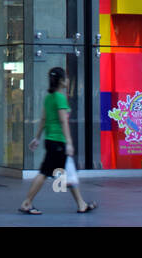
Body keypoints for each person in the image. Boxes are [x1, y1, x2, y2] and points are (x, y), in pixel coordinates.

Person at [18, 67, 96, 214]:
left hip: (51, 140)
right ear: (61, 81)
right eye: (65, 77)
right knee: (45, 172)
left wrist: (37, 137)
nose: (67, 80)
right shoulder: (60, 97)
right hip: (58, 142)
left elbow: (43, 118)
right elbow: (63, 121)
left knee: (69, 172)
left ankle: (81, 204)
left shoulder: (49, 97)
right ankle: (27, 203)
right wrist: (69, 143)